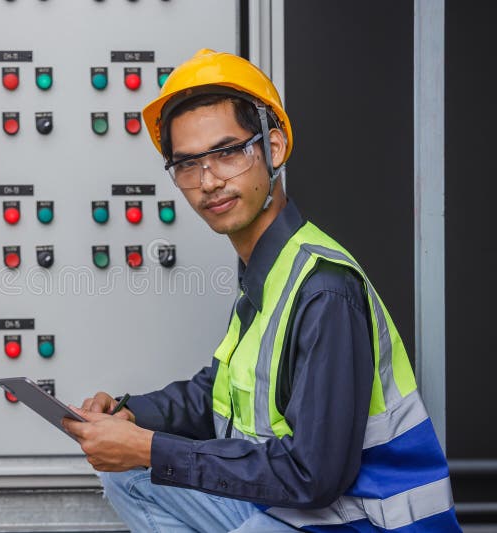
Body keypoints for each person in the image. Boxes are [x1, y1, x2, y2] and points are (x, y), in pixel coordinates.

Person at [62, 49, 460, 532]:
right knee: (129, 477)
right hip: (305, 517)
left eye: (228, 152)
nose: (208, 181)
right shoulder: (269, 273)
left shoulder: (324, 290)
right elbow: (219, 395)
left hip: (368, 524)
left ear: (273, 149)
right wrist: (130, 414)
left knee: (168, 478)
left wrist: (149, 447)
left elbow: (314, 476)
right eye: (187, 164)